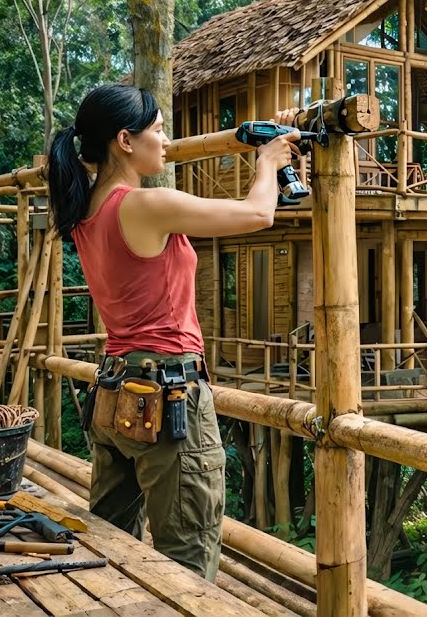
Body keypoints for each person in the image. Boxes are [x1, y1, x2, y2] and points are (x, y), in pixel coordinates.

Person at [45, 84, 298, 580]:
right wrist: (266, 164)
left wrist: (281, 150)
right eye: (158, 131)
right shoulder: (143, 205)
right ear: (124, 140)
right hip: (168, 396)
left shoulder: (84, 211)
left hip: (116, 389)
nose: (166, 141)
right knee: (187, 560)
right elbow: (258, 214)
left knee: (112, 543)